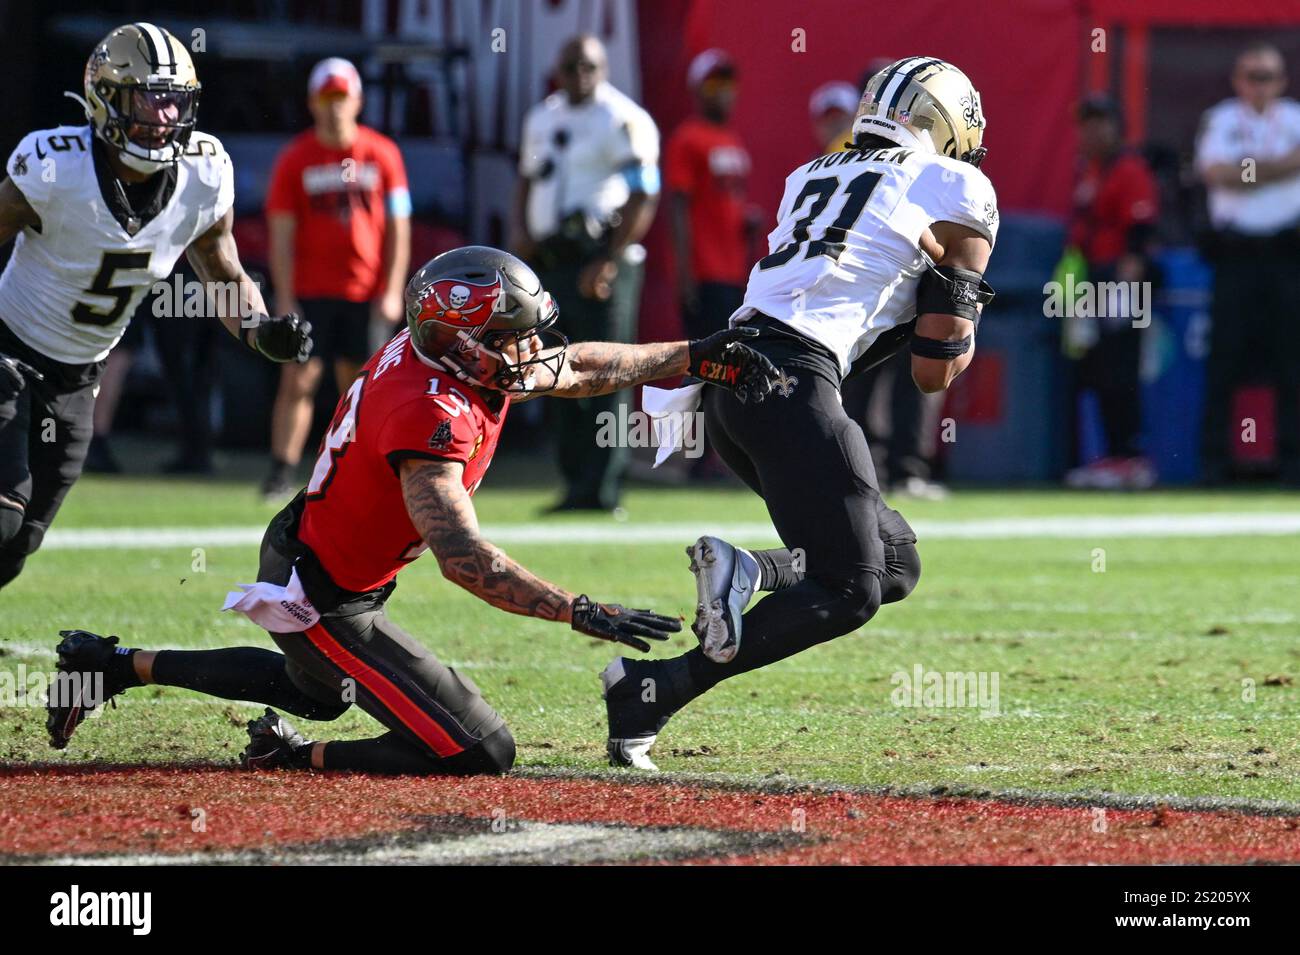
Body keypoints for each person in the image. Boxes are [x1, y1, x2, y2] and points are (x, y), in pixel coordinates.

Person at [46, 246, 780, 776]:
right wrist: (577, 609)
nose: (531, 350)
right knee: (480, 748)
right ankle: (292, 756)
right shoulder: (427, 413)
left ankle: (112, 665)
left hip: (321, 553)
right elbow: (465, 558)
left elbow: (581, 365)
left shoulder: (451, 359)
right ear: (463, 344)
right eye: (511, 336)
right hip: (322, 593)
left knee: (317, 691)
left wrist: (696, 355)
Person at [603, 57, 998, 770]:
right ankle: (653, 690)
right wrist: (956, 293)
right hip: (794, 384)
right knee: (851, 588)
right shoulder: (957, 184)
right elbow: (933, 371)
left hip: (732, 383)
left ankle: (747, 571)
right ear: (944, 125)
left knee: (894, 562)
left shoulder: (811, 173)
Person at [0, 23, 311, 592]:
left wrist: (260, 330)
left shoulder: (204, 173)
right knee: (2, 515)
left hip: (79, 379)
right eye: (148, 99)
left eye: (174, 101)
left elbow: (223, 271)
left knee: (18, 546)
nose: (164, 116)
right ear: (104, 99)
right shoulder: (56, 166)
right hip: (10, 353)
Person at [511, 35, 660, 512]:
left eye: (589, 66)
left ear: (604, 69)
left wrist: (609, 258)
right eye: (572, 66)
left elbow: (644, 192)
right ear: (557, 69)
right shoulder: (542, 116)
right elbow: (527, 179)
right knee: (554, 369)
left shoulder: (623, 118)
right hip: (552, 258)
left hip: (601, 257)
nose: (580, 75)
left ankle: (604, 488)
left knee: (608, 371)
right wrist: (521, 234)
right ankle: (574, 483)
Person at [262, 58, 411, 500]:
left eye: (341, 97)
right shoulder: (295, 158)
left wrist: (392, 289)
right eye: (326, 97)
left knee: (362, 389)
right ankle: (281, 471)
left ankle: (361, 473)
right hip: (311, 291)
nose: (334, 107)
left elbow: (399, 228)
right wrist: (285, 295)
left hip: (365, 293)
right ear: (312, 102)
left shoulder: (383, 154)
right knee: (299, 380)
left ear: (358, 100)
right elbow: (281, 233)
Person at [1195, 43, 1300, 486]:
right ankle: (1214, 465)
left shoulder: (1294, 117)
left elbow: (1236, 173)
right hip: (1236, 254)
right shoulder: (1221, 119)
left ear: (1282, 81)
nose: (1260, 85)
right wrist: (1281, 168)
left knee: (1292, 361)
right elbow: (1215, 173)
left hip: (1286, 252)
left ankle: (1292, 464)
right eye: (1252, 76)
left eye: (1268, 76)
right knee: (1225, 359)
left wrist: (1247, 172)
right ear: (1238, 80)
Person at [664, 49, 755, 480]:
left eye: (728, 85)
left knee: (729, 365)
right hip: (704, 272)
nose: (724, 94)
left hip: (733, 271)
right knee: (705, 366)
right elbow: (678, 207)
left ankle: (718, 454)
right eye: (715, 85)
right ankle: (698, 456)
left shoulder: (733, 140)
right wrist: (685, 274)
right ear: (698, 91)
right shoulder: (688, 138)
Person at [1062, 94, 1159, 490]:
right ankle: (1114, 454)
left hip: (1121, 280)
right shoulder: (1089, 169)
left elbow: (1140, 231)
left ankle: (1131, 457)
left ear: (1116, 129)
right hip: (1092, 279)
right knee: (1098, 368)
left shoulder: (1129, 168)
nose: (1092, 132)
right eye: (1086, 125)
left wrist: (1125, 289)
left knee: (1121, 367)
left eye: (1100, 124)